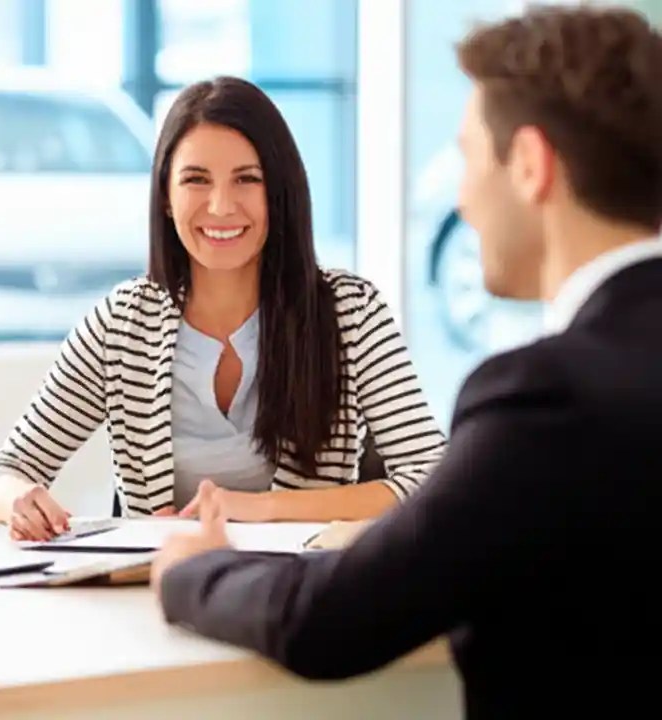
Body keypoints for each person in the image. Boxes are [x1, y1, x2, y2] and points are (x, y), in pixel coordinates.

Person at [152, 5, 662, 717]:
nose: (462, 198)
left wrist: (197, 571)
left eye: (468, 156)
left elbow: (329, 622)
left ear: (529, 165)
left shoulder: (545, 399)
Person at [0, 76, 446, 539]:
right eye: (196, 180)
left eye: (247, 179)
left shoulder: (351, 312)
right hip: (160, 592)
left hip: (301, 596)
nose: (221, 206)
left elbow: (433, 479)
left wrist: (257, 509)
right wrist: (17, 499)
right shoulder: (122, 324)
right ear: (165, 196)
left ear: (278, 194)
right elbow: (3, 471)